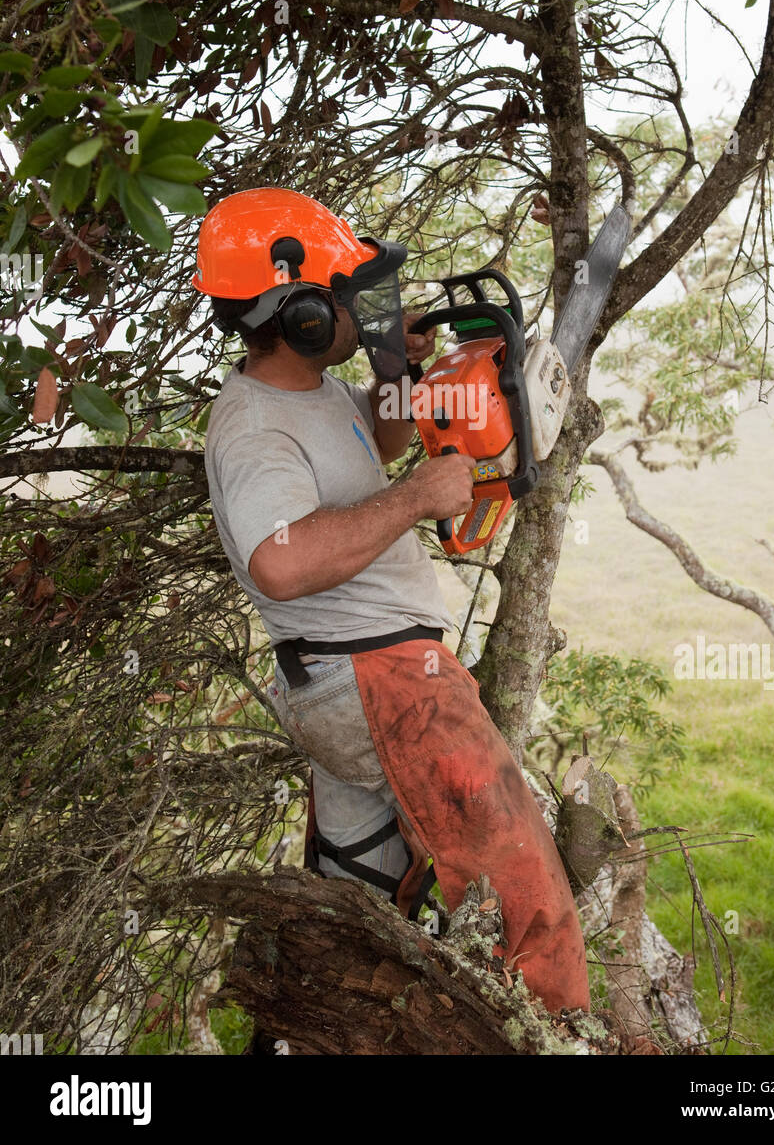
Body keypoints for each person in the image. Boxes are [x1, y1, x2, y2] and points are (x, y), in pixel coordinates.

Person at [192, 187, 590, 1015]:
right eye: (343, 298)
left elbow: (376, 447)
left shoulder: (313, 393)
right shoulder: (254, 427)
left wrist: (393, 375)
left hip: (346, 677)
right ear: (298, 311)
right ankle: (564, 1033)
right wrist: (416, 497)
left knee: (361, 905)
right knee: (517, 873)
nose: (358, 310)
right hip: (378, 677)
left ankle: (317, 1028)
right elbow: (279, 560)